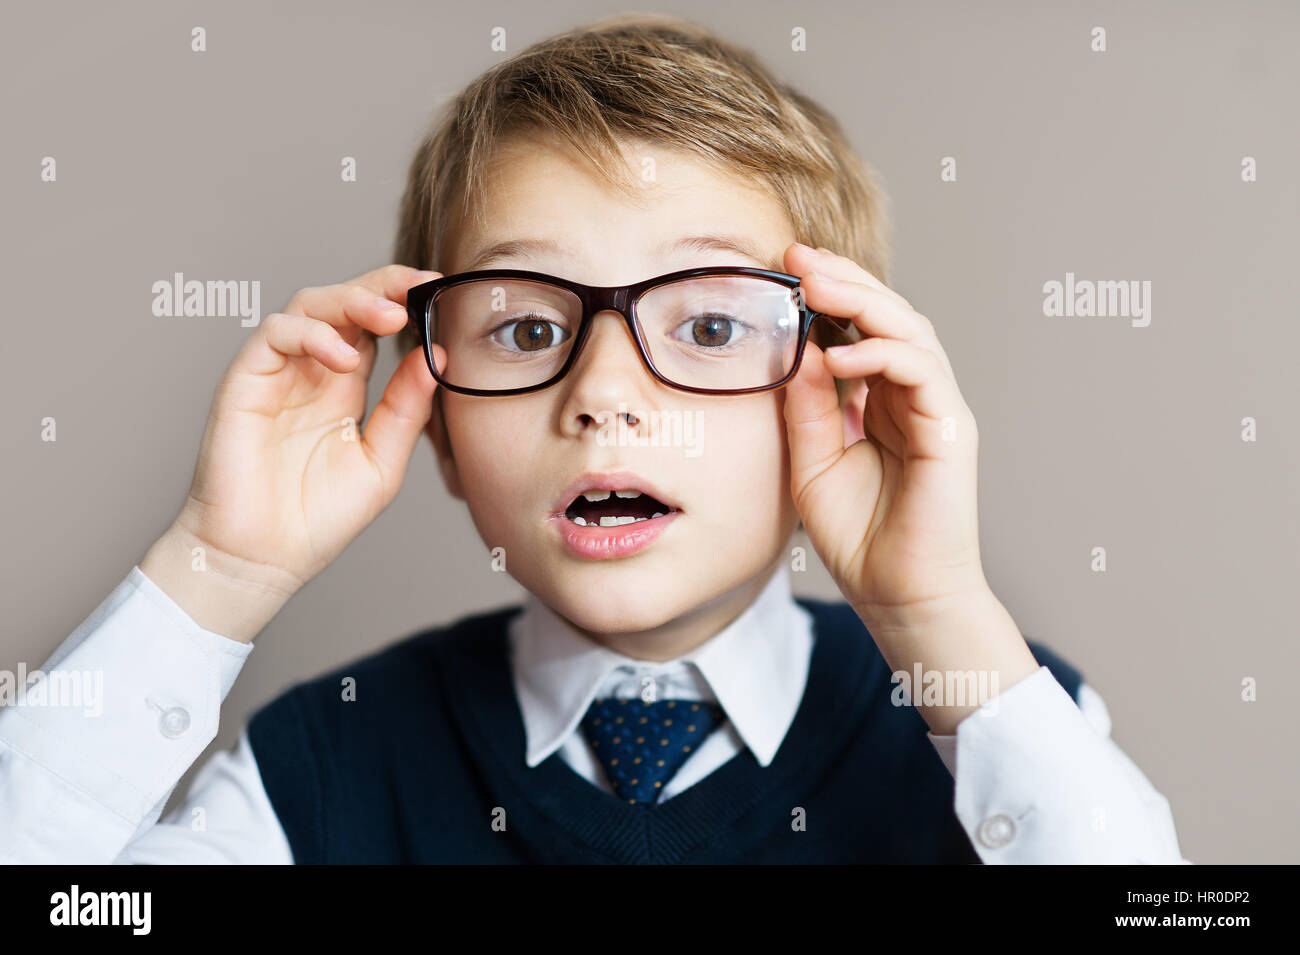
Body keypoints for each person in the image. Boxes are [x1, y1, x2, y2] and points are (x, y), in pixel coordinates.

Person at [0, 13, 1186, 864]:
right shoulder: (327, 767)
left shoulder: (991, 720)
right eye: (525, 327)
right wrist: (220, 568)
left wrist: (938, 620)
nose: (606, 394)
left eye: (711, 321)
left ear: (842, 393)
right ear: (442, 429)